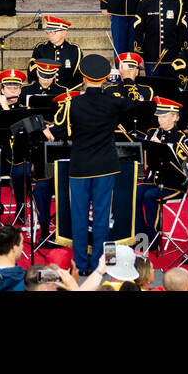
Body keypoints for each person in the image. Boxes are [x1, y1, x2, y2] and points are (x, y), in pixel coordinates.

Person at [64, 53, 141, 274]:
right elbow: (135, 105)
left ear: (83, 76)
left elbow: (64, 130)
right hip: (106, 165)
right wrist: (127, 79)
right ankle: (100, 265)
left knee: (78, 218)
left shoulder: (73, 102)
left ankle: (80, 265)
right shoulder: (113, 102)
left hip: (79, 166)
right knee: (101, 218)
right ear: (106, 77)